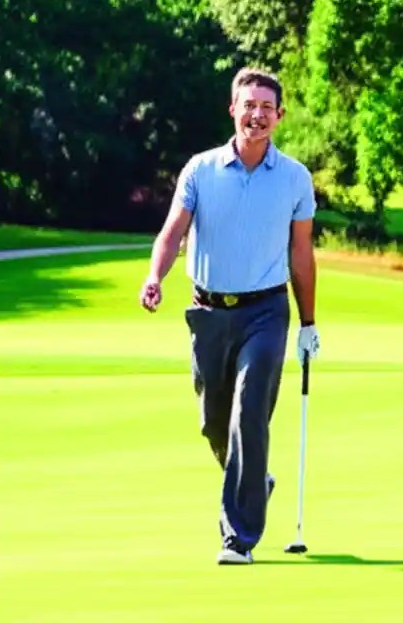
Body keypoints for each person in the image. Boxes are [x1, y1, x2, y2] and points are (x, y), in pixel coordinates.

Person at [139, 67, 320, 566]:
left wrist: (308, 322)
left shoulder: (294, 178)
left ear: (279, 116)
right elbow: (173, 231)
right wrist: (155, 276)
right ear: (232, 109)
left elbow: (301, 254)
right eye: (249, 105)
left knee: (249, 412)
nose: (257, 115)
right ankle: (254, 482)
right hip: (208, 312)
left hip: (266, 311)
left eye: (267, 107)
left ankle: (238, 536)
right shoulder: (200, 169)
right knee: (214, 424)